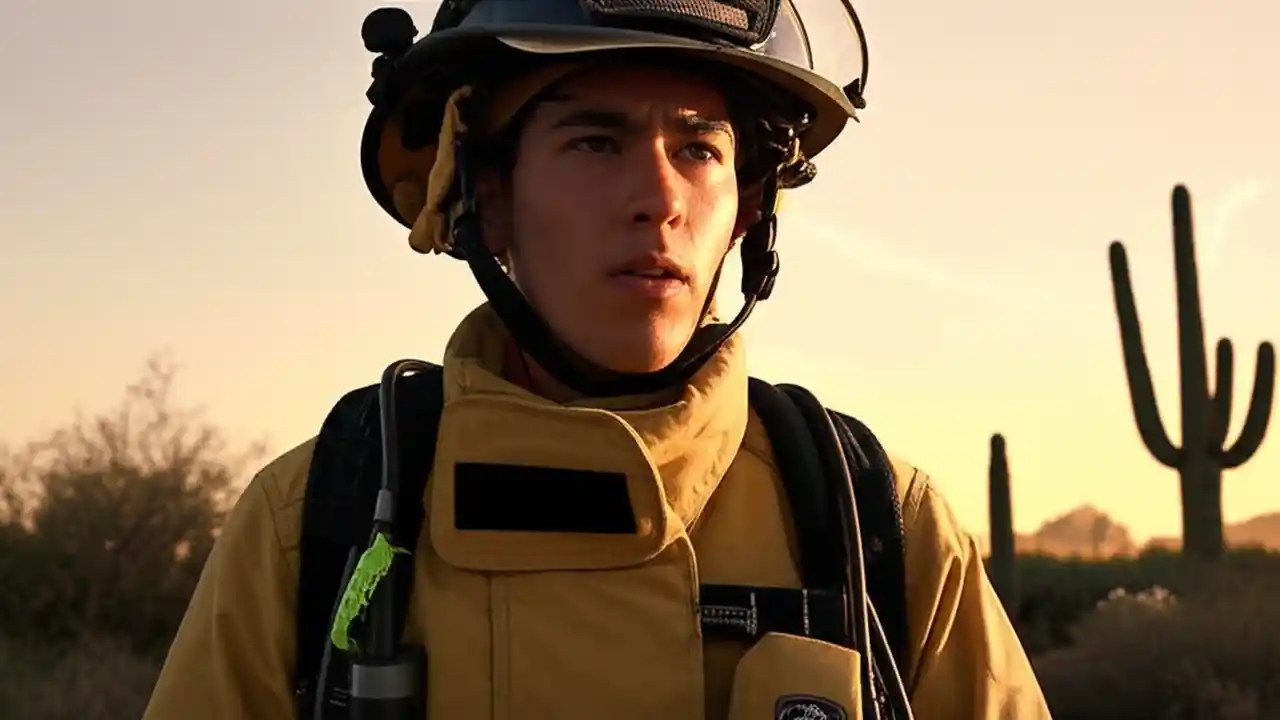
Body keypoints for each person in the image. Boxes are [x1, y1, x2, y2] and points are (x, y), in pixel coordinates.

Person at [143, 0, 1052, 718]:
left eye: (698, 147)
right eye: (594, 141)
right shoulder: (314, 521)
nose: (658, 197)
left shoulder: (882, 527)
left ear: (747, 210)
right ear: (487, 201)